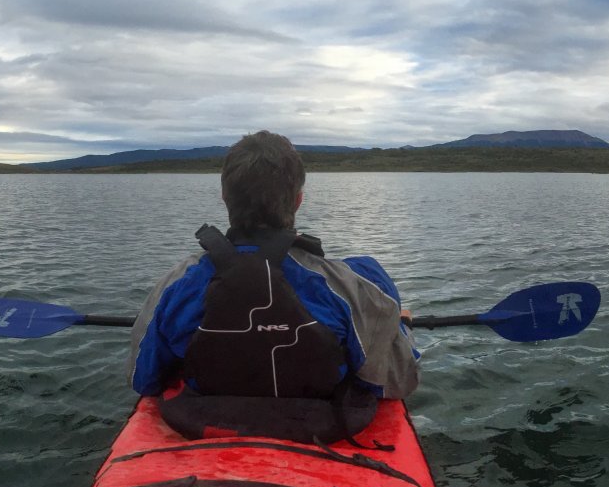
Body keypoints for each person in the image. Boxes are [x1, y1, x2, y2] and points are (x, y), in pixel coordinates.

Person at [127, 130, 420, 443]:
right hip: (323, 426)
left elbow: (143, 380)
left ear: (225, 197)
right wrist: (399, 327)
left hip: (206, 420)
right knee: (372, 282)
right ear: (298, 199)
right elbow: (397, 382)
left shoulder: (175, 285)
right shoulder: (351, 286)